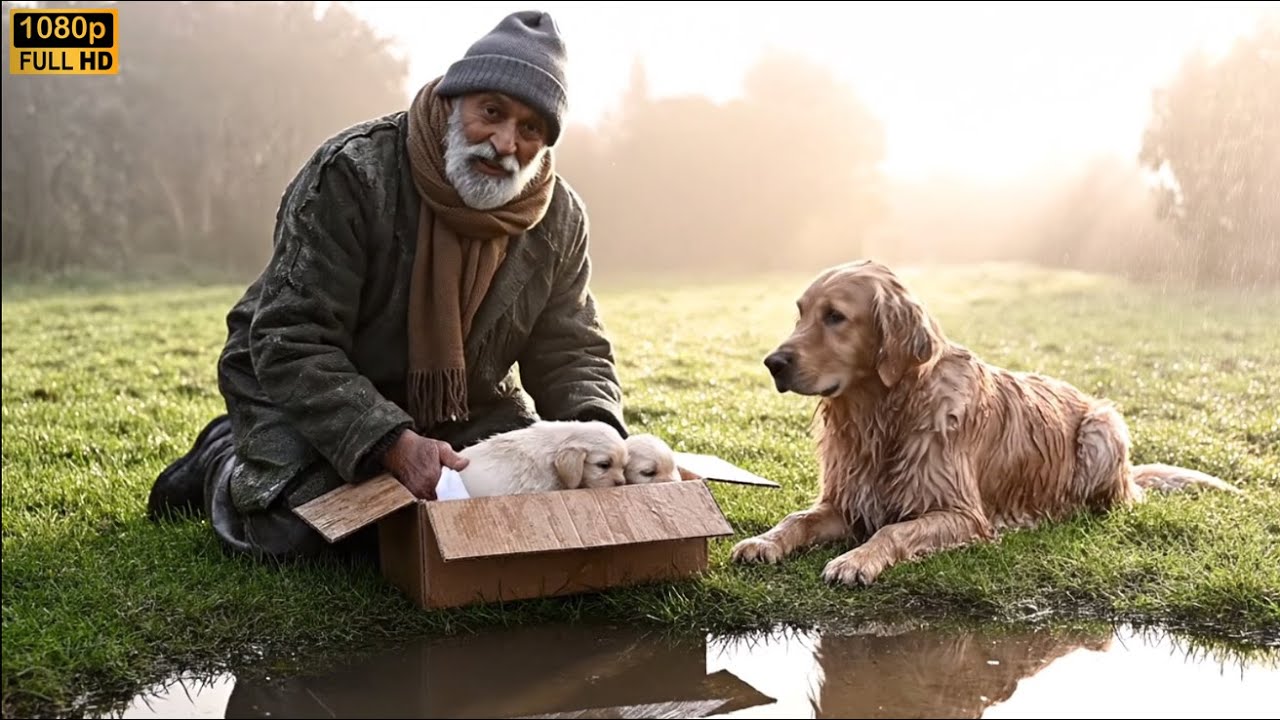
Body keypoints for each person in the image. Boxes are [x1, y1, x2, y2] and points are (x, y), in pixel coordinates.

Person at [145, 9, 628, 564]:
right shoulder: (352, 172)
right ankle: (226, 454)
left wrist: (602, 439)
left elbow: (571, 348)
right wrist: (390, 442)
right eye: (491, 112)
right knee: (323, 536)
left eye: (530, 130)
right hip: (306, 389)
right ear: (453, 99)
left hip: (463, 406)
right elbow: (290, 337)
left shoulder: (559, 217)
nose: (503, 143)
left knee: (506, 508)